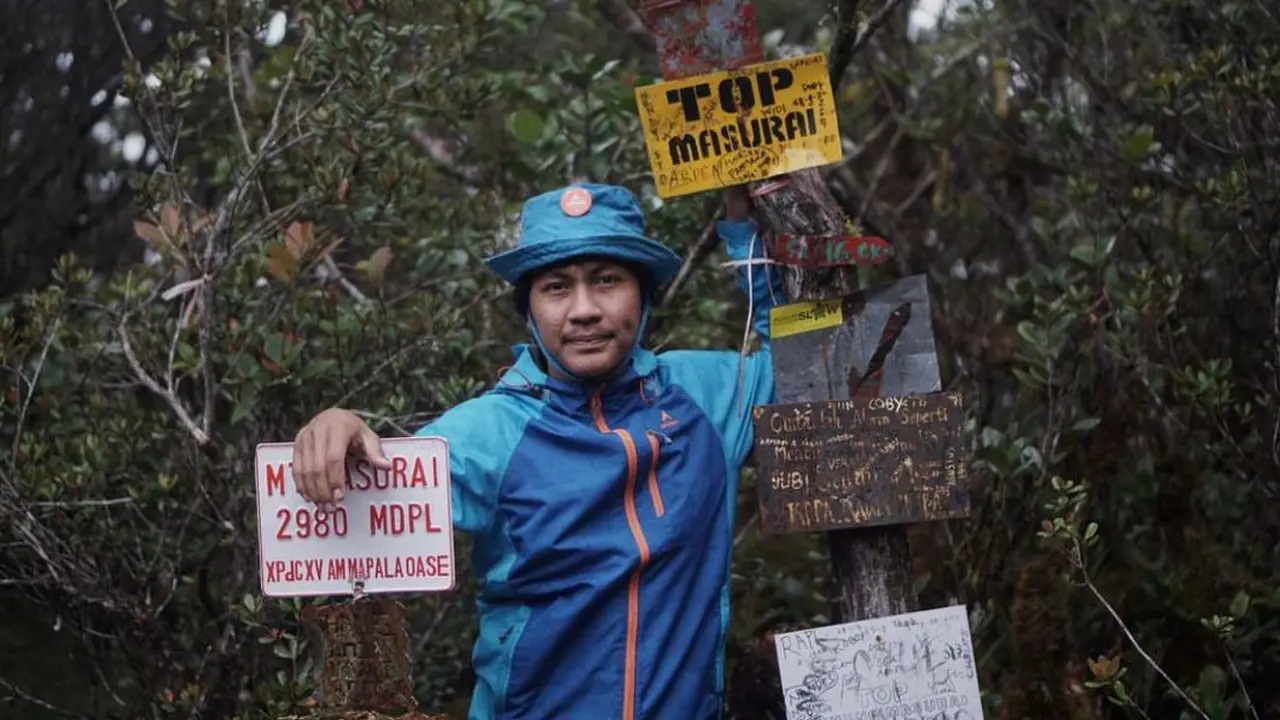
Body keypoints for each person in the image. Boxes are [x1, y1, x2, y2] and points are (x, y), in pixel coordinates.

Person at [291, 182, 785, 719]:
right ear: (528, 307)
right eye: (556, 287)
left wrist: (751, 232)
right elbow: (376, 485)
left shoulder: (707, 397)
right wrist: (336, 425)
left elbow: (810, 368)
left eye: (608, 281)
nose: (584, 310)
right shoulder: (491, 431)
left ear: (643, 295)